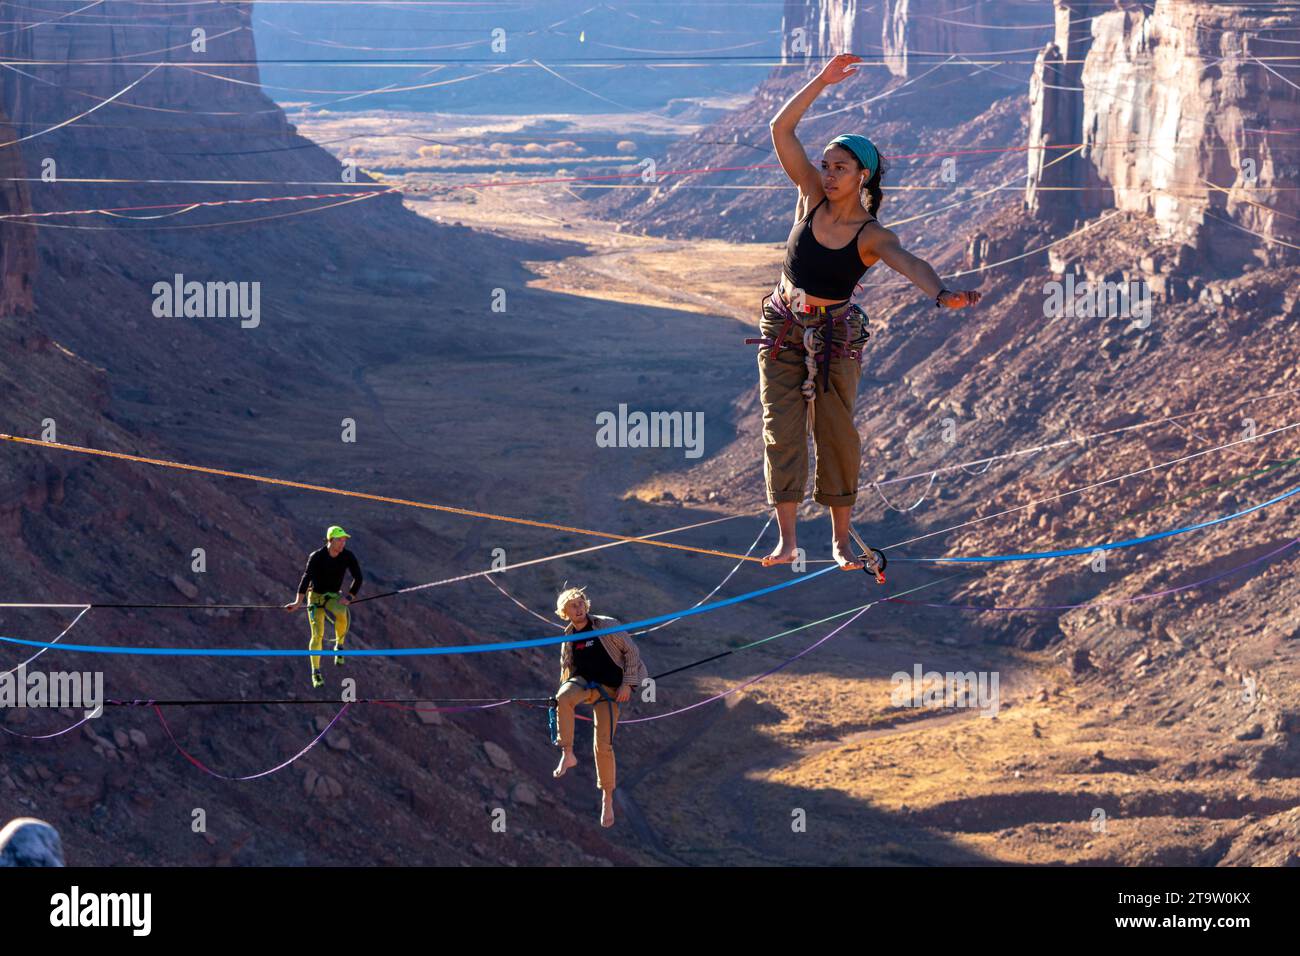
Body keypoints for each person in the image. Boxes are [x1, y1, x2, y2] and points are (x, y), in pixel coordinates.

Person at [758, 52, 982, 570]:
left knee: (836, 430)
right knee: (782, 427)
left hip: (836, 333)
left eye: (841, 168)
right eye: (827, 165)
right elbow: (780, 127)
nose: (829, 173)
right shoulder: (809, 195)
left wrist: (941, 293)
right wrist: (822, 80)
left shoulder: (873, 235)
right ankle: (788, 540)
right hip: (783, 324)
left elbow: (912, 263)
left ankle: (839, 539)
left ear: (863, 175)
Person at [550, 586, 648, 828]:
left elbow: (632, 653)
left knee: (603, 743)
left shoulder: (604, 625)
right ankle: (568, 753)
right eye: (573, 605)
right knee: (562, 697)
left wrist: (628, 684)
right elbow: (567, 671)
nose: (579, 607)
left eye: (581, 602)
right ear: (565, 612)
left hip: (613, 690)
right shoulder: (569, 637)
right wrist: (564, 703)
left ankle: (607, 798)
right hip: (585, 684)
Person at [284, 526, 363, 689]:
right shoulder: (317, 557)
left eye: (344, 540)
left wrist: (349, 597)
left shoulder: (347, 556)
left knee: (342, 613)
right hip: (316, 597)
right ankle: (316, 672)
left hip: (333, 596)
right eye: (340, 540)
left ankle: (339, 646)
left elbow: (358, 577)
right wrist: (298, 602)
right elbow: (306, 579)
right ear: (331, 540)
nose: (343, 543)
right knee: (318, 633)